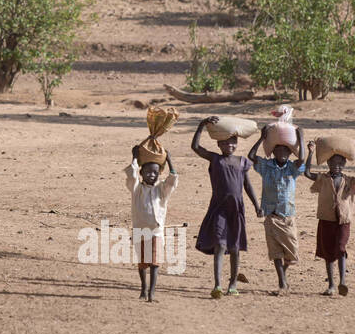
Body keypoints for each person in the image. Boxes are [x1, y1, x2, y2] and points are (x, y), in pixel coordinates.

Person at [192, 116, 260, 298]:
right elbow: (196, 148)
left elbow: (247, 186)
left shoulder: (242, 162)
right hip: (219, 208)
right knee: (220, 245)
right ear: (219, 145)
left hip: (236, 209)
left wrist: (256, 205)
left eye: (233, 143)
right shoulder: (215, 159)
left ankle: (233, 284)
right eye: (226, 143)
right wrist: (201, 126)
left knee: (235, 247)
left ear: (237, 144)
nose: (230, 146)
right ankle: (218, 285)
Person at [305, 141, 355, 296]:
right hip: (326, 220)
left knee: (341, 249)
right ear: (328, 163)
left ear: (344, 165)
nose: (337, 166)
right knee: (328, 253)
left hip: (343, 221)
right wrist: (310, 153)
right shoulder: (323, 179)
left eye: (340, 163)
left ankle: (342, 282)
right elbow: (307, 173)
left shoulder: (349, 180)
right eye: (334, 163)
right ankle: (331, 285)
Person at [248, 123, 306, 294]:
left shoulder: (292, 168)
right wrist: (261, 138)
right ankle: (282, 282)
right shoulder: (266, 166)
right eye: (278, 150)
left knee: (292, 253)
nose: (282, 153)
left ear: (290, 153)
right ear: (273, 152)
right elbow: (251, 156)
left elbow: (302, 160)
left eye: (286, 151)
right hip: (271, 215)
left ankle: (283, 277)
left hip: (287, 215)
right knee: (275, 252)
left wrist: (300, 137)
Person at [125, 145, 178, 303]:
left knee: (155, 263)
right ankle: (143, 288)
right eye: (148, 172)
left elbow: (172, 181)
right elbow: (131, 175)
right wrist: (135, 157)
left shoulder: (162, 190)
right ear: (141, 173)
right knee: (143, 263)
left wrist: (169, 159)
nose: (152, 175)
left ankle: (152, 292)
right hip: (140, 231)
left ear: (159, 174)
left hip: (156, 232)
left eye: (155, 172)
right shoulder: (136, 190)